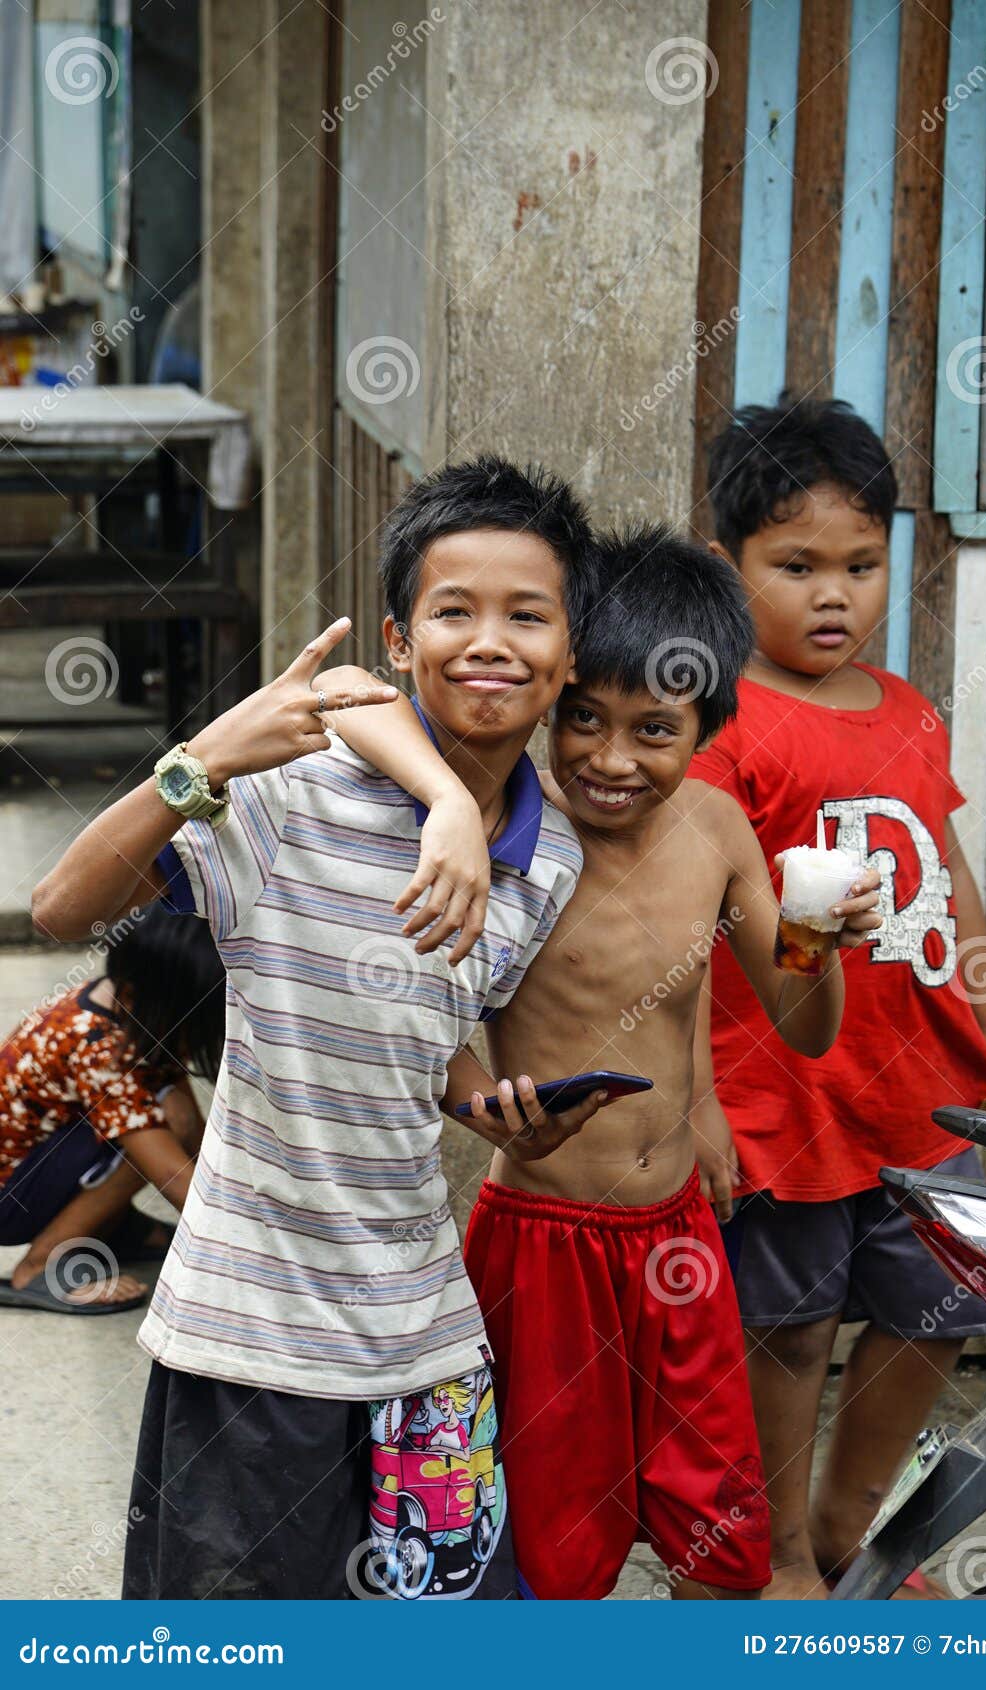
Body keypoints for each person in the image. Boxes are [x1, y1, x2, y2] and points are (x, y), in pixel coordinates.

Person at [31, 455, 605, 1602]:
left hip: (426, 1336)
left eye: (526, 615)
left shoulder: (549, 859)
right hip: (252, 1331)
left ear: (570, 654)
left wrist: (490, 1109)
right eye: (455, 611)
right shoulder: (298, 799)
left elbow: (420, 1024)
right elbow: (60, 909)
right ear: (400, 641)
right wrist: (200, 764)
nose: (489, 640)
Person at [328, 523, 882, 1599]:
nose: (611, 759)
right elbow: (420, 1013)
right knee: (547, 1532)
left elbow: (796, 1027)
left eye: (653, 729)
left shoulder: (719, 830)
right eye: (584, 719)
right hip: (540, 1237)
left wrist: (817, 945)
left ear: (707, 728)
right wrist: (478, 1103)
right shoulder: (504, 829)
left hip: (676, 1233)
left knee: (717, 1526)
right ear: (554, 696)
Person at [687, 394, 986, 1598]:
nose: (833, 595)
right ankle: (779, 1550)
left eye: (859, 564)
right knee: (786, 1329)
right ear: (728, 568)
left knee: (941, 1301)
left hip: (924, 1084)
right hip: (783, 1087)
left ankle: (851, 1523)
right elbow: (684, 924)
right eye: (795, 566)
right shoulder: (723, 727)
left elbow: (944, 871)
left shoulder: (908, 711)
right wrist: (695, 1094)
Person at [0, 903, 222, 1314]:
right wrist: (246, 1242)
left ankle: (118, 1229)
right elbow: (172, 1175)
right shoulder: (98, 1046)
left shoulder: (127, 1008)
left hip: (32, 1169)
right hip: (10, 1199)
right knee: (152, 1129)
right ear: (143, 995)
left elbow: (196, 1135)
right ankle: (41, 1265)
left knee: (168, 1112)